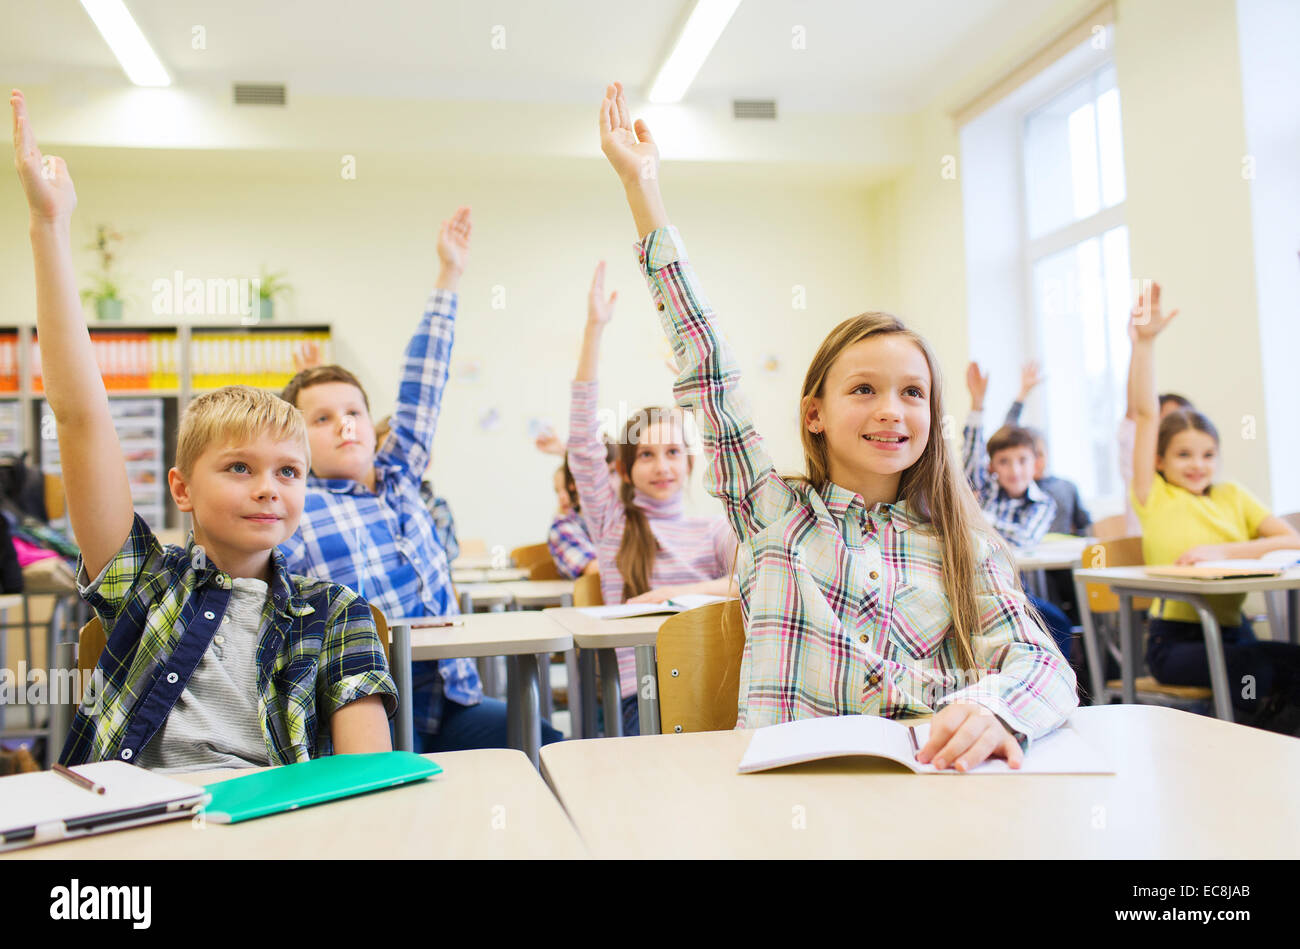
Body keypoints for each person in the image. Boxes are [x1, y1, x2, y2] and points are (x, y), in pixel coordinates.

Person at [597, 81, 1075, 768]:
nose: (891, 409)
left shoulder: (962, 540)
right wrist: (644, 191)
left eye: (913, 392)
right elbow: (709, 368)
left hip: (930, 795)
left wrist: (993, 706)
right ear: (814, 414)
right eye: (864, 389)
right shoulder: (775, 515)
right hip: (789, 800)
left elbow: (1040, 660)